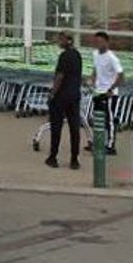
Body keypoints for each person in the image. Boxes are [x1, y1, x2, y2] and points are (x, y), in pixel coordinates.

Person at [46, 31, 83, 169]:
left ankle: (53, 157)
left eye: (60, 39)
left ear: (67, 40)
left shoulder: (64, 56)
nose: (58, 42)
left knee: (56, 127)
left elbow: (60, 77)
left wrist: (52, 93)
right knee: (74, 128)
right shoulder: (77, 55)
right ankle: (74, 159)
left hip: (61, 96)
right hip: (74, 95)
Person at [89, 30, 123, 155]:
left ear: (107, 43)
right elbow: (96, 69)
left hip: (109, 93)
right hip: (98, 91)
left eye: (100, 42)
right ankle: (97, 142)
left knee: (109, 119)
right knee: (97, 118)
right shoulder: (95, 54)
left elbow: (121, 76)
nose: (98, 44)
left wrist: (111, 89)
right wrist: (92, 80)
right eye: (96, 42)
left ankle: (111, 145)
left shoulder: (112, 58)